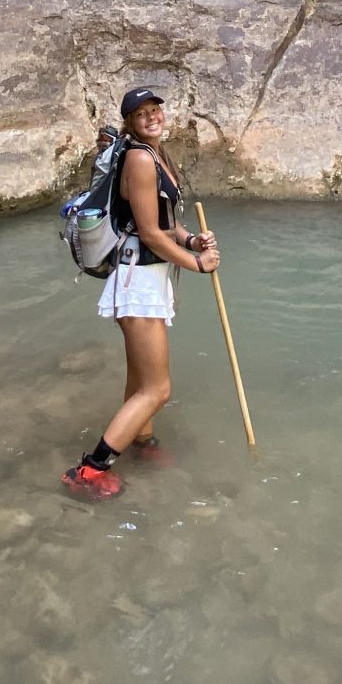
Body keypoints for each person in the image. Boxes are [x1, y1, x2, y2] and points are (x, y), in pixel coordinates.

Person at [62, 87, 218, 499]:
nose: (152, 117)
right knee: (158, 389)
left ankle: (143, 443)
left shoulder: (157, 154)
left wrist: (191, 241)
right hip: (139, 281)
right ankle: (89, 471)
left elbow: (166, 223)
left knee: (139, 382)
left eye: (156, 110)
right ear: (130, 121)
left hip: (147, 277)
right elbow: (148, 232)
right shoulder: (139, 159)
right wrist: (197, 264)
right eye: (142, 113)